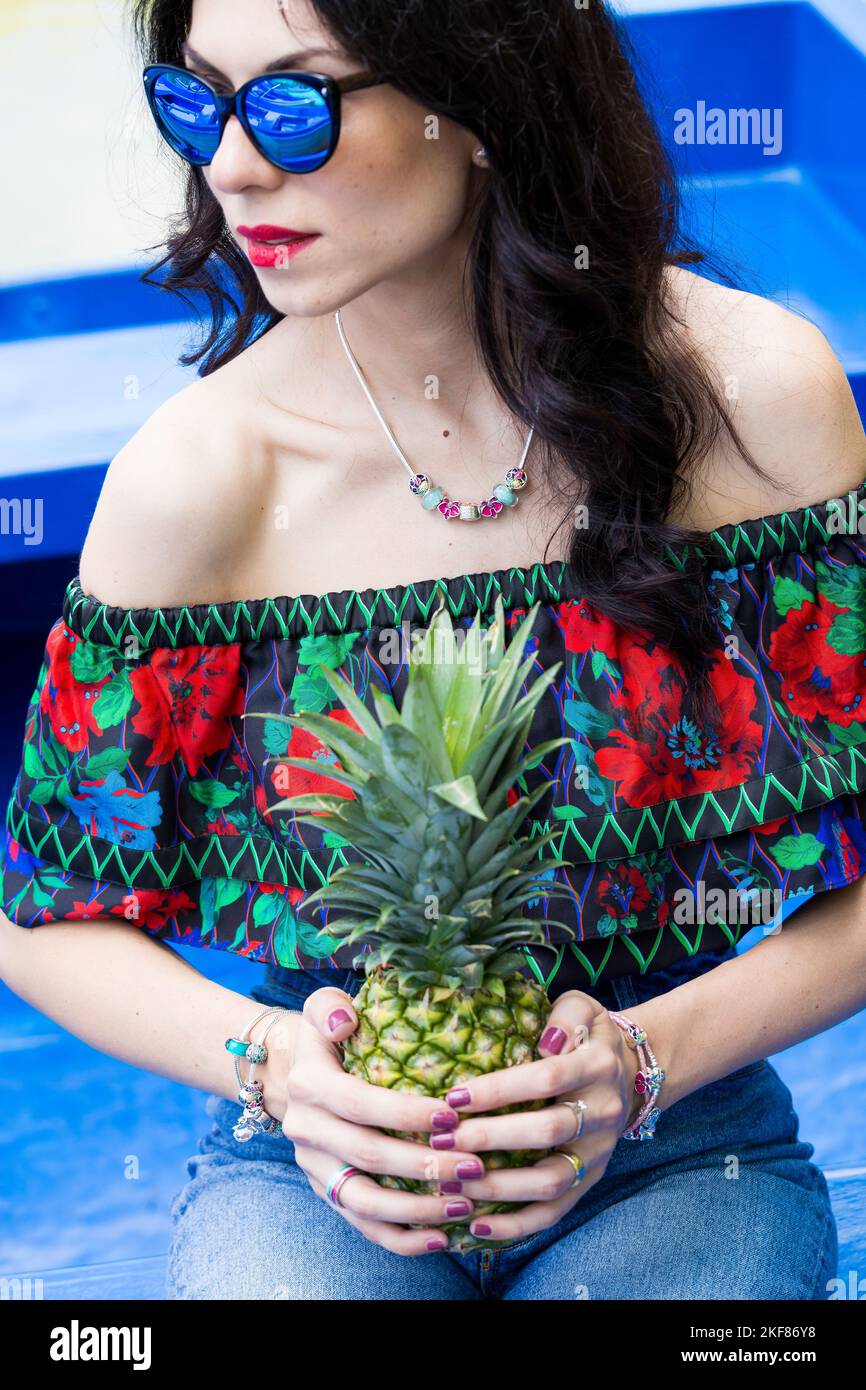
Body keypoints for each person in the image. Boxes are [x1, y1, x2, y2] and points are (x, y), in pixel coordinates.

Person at [2, 0, 865, 1300]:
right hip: (313, 1153)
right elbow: (41, 916)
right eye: (196, 102)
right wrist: (273, 1065)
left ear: (478, 97)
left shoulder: (756, 402)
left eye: (292, 106)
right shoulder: (198, 479)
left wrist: (643, 1060)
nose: (231, 166)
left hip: (677, 1134)